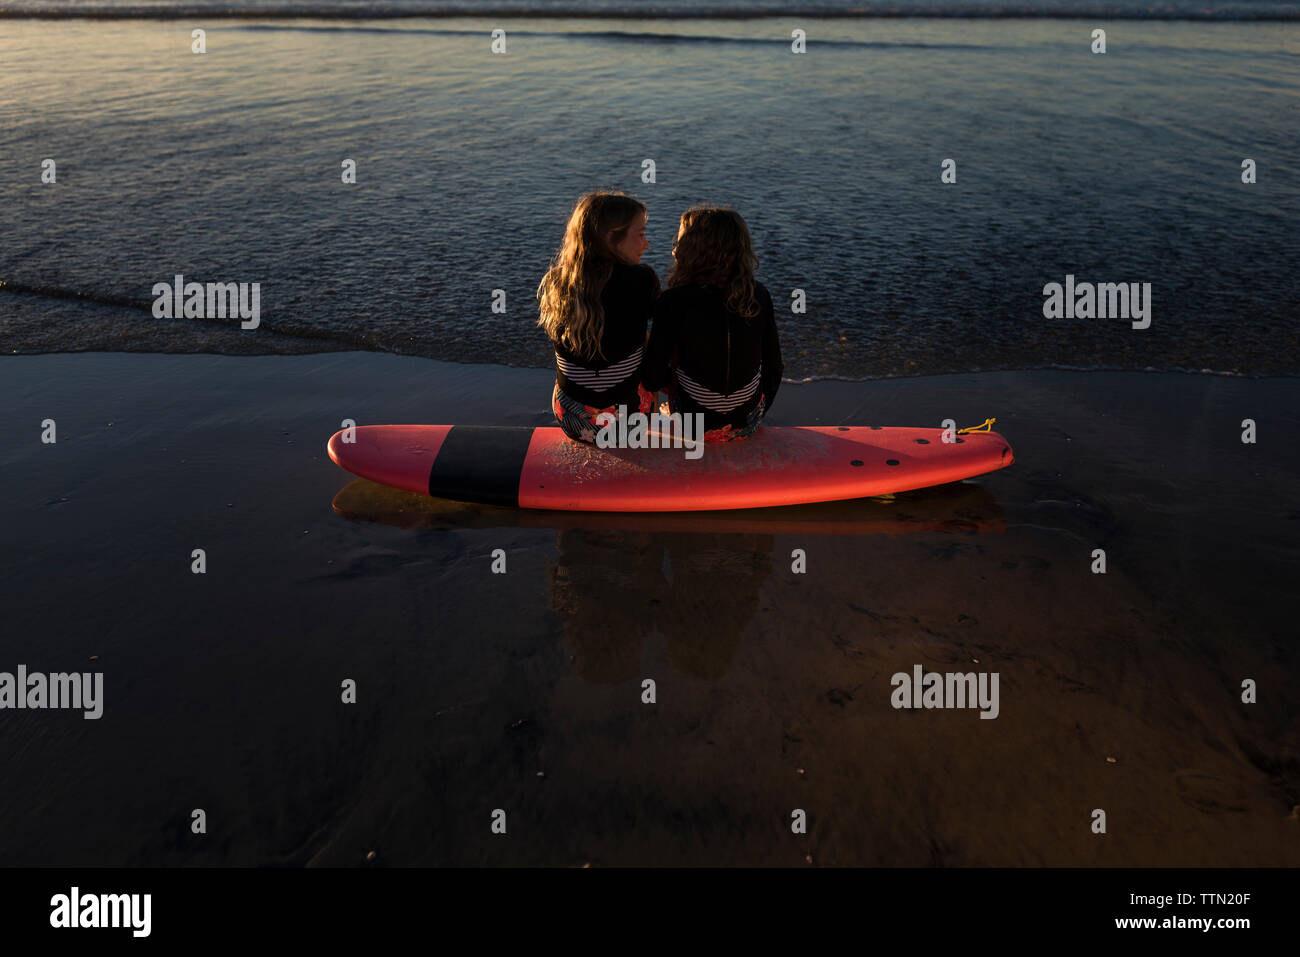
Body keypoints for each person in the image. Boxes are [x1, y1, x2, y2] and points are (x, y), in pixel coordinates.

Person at [641, 205, 782, 442]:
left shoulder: (673, 301)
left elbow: (652, 379)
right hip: (746, 424)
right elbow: (774, 367)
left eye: (681, 239)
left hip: (692, 426)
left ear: (690, 250)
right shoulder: (758, 294)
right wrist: (757, 411)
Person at [537, 191, 661, 443]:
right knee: (653, 342)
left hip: (573, 421)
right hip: (629, 425)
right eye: (640, 235)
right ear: (610, 238)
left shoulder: (556, 282)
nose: (646, 244)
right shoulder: (642, 279)